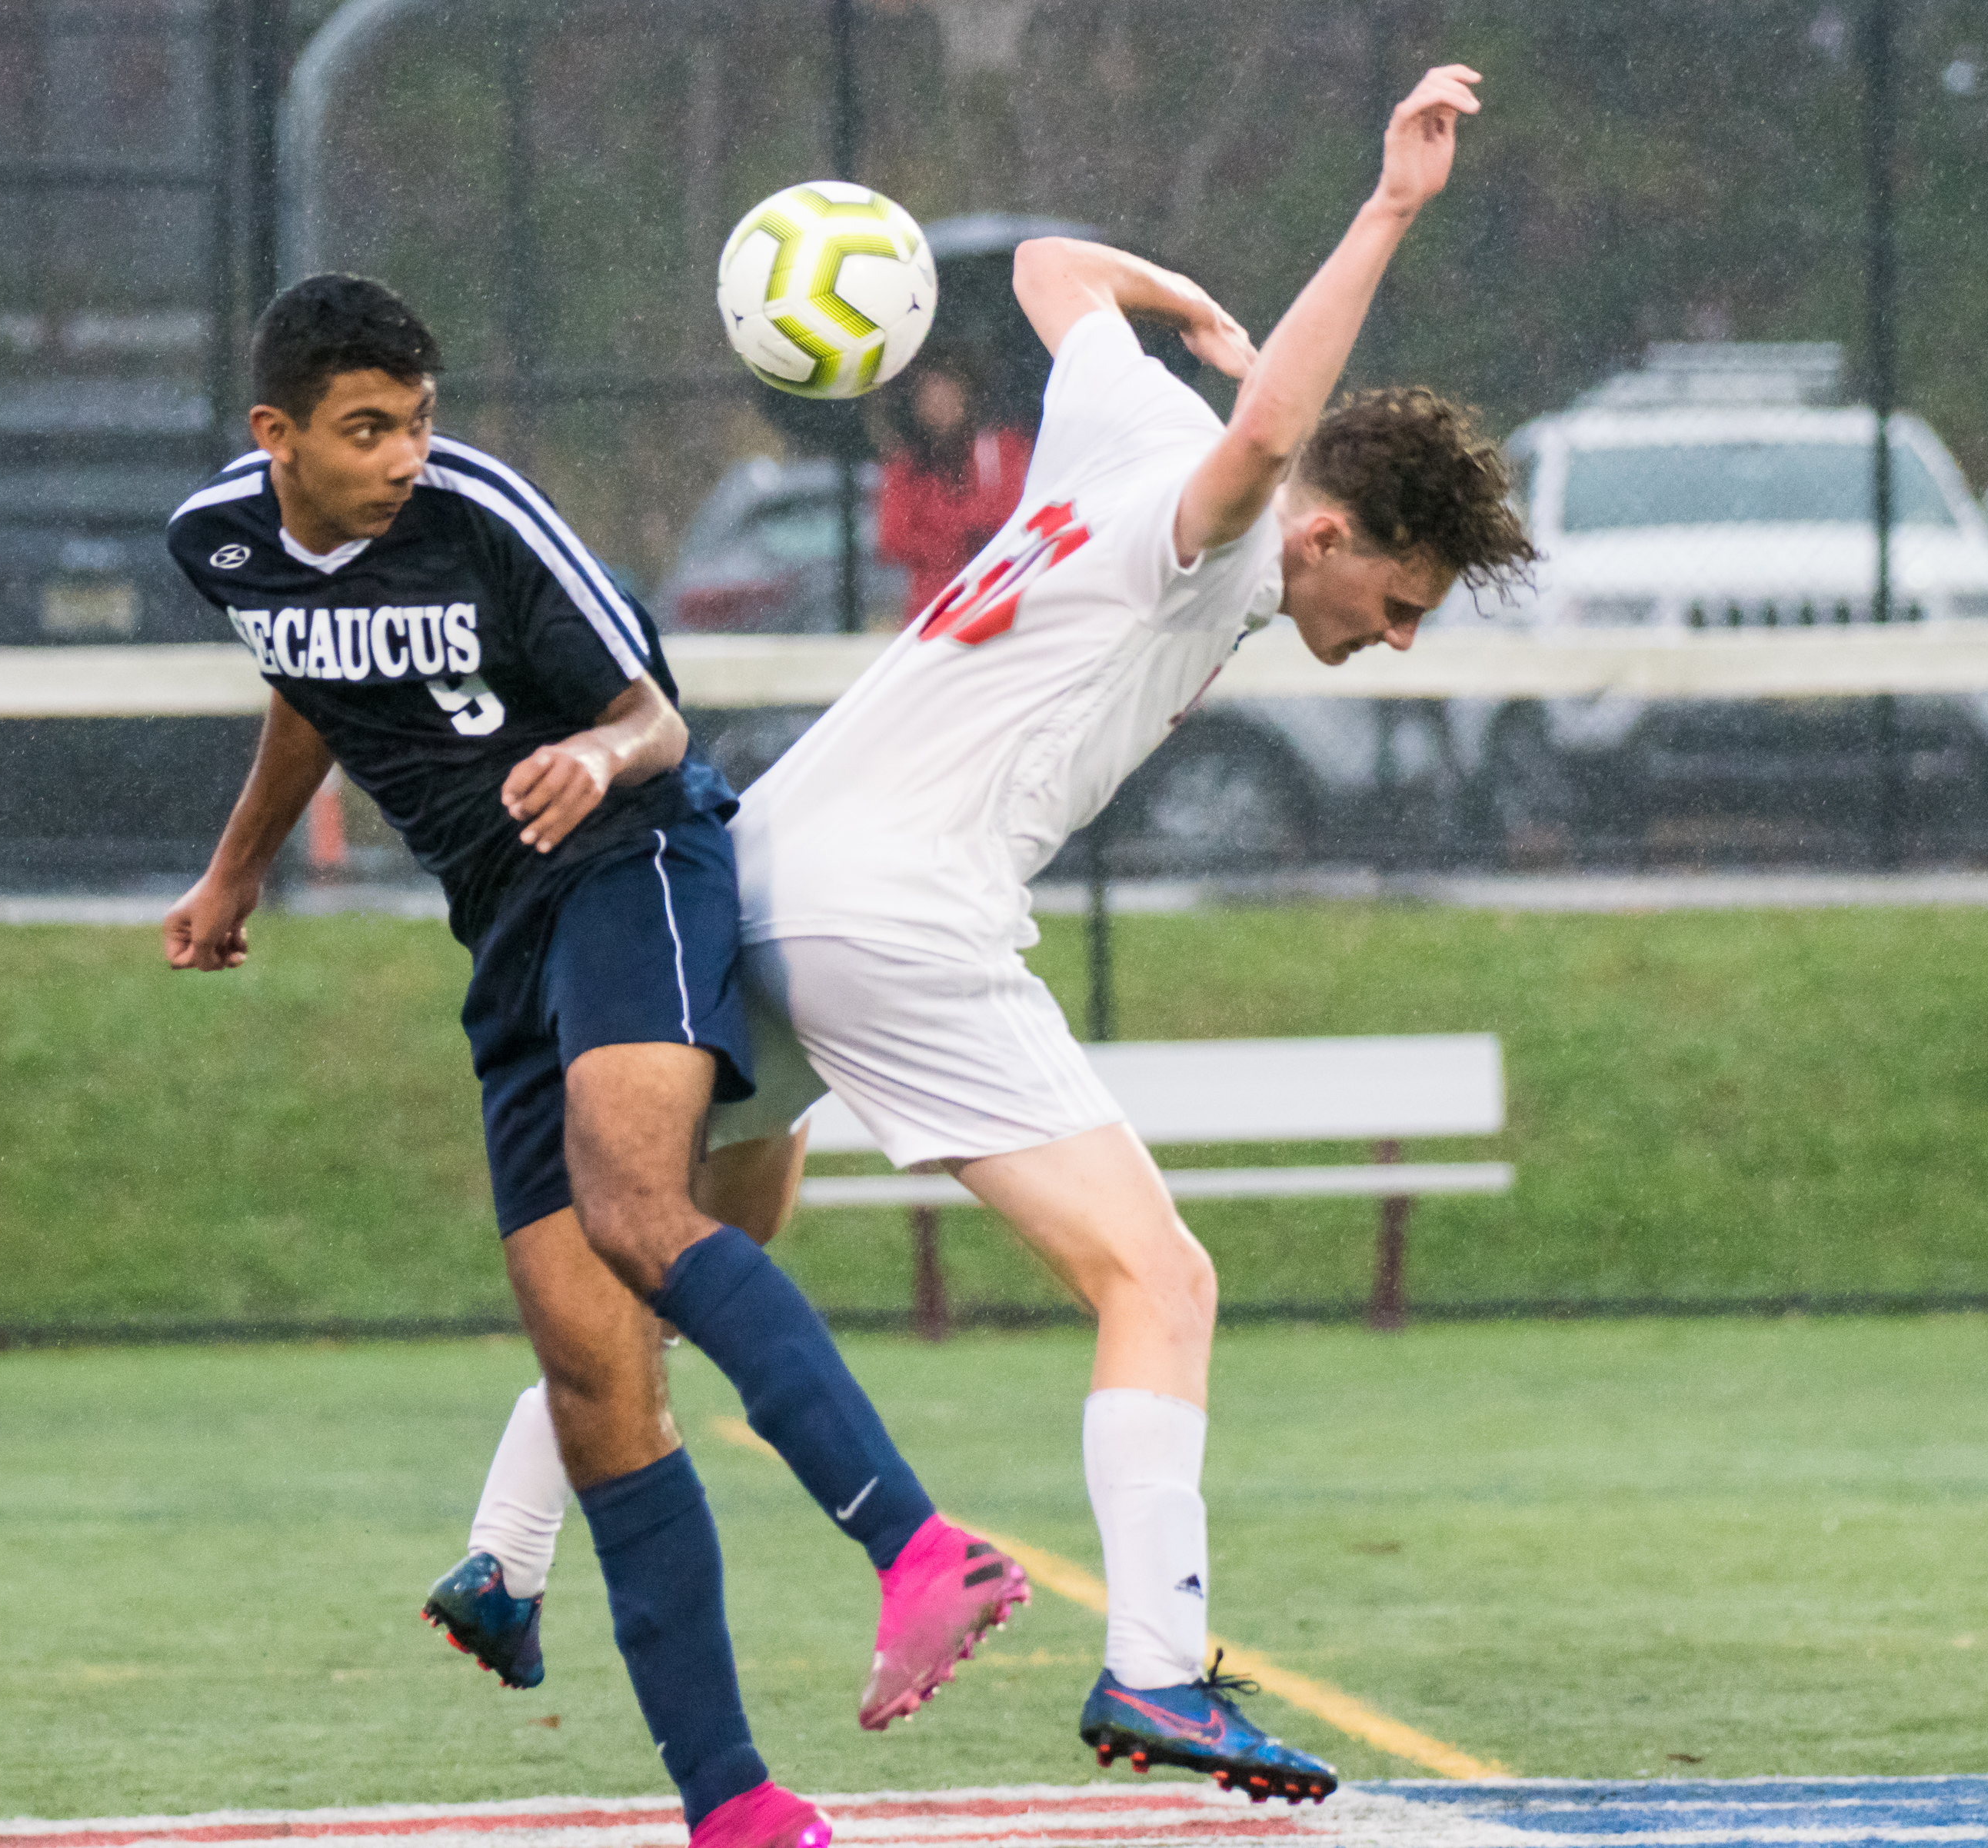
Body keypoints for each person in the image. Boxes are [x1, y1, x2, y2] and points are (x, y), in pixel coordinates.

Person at [441, 61, 1527, 1803]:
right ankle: (1158, 1672)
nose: (1393, 637)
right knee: (1157, 1277)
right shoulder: (1224, 525)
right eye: (1392, 604)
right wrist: (1386, 210)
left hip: (769, 869)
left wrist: (1179, 305)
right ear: (1324, 532)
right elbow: (1261, 441)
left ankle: (503, 1553)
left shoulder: (1125, 420)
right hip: (898, 913)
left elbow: (1045, 273)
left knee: (690, 1227)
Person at [161, 275, 1028, 1848]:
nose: (406, 454)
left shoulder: (483, 509)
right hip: (501, 929)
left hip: (631, 858)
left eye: (419, 420)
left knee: (637, 1210)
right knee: (593, 1377)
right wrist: (236, 871)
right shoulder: (214, 541)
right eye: (368, 431)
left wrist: (587, 751)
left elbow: (656, 717)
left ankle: (921, 1549)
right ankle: (739, 1806)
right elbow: (311, 678)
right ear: (273, 435)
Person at [875, 348, 1033, 619]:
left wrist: (947, 534)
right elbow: (893, 540)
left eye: (948, 392)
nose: (938, 405)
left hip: (1001, 604)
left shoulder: (1002, 449)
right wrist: (965, 535)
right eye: (928, 395)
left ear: (967, 395)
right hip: (933, 611)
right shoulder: (905, 466)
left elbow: (1019, 521)